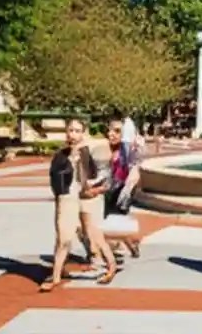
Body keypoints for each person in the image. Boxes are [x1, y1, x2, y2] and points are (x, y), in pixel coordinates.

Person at [40, 119, 118, 291]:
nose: (73, 134)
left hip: (87, 197)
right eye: (70, 130)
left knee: (94, 235)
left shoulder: (91, 150)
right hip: (68, 198)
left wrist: (95, 190)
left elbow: (106, 176)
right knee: (64, 238)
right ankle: (56, 277)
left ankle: (111, 266)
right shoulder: (61, 155)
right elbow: (56, 181)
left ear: (83, 132)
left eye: (77, 131)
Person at [103, 117, 143, 258]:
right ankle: (128, 244)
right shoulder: (105, 149)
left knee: (115, 220)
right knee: (109, 220)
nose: (111, 134)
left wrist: (127, 190)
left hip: (122, 189)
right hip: (108, 189)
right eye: (110, 130)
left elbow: (135, 170)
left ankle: (116, 251)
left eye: (117, 131)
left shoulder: (128, 151)